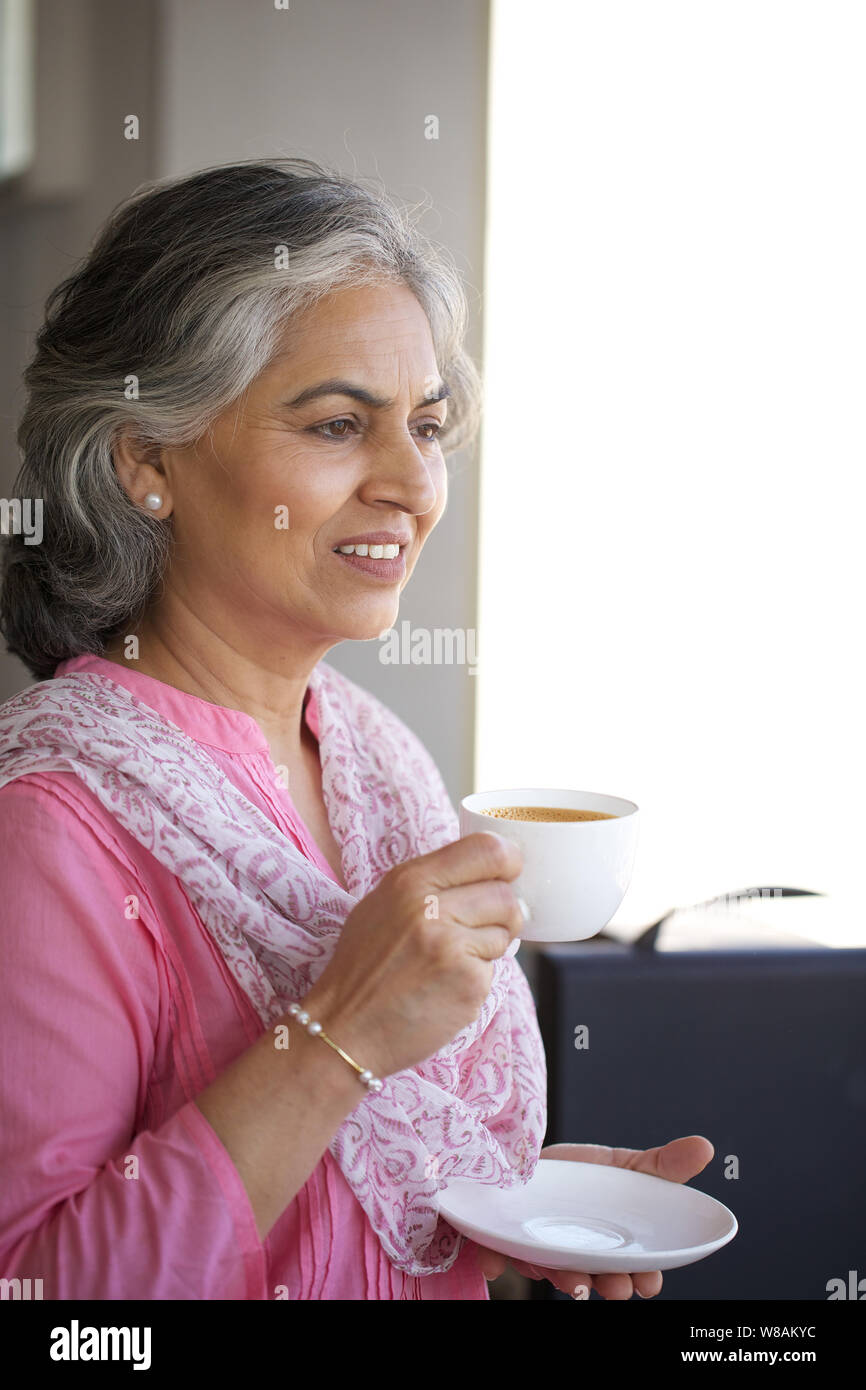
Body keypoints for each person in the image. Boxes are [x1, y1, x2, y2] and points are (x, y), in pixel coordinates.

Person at [0, 157, 713, 1300]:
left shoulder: (376, 757)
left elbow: (330, 1184)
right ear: (148, 463)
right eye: (339, 424)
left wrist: (501, 1203)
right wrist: (334, 1031)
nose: (412, 483)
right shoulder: (49, 830)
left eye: (425, 425)